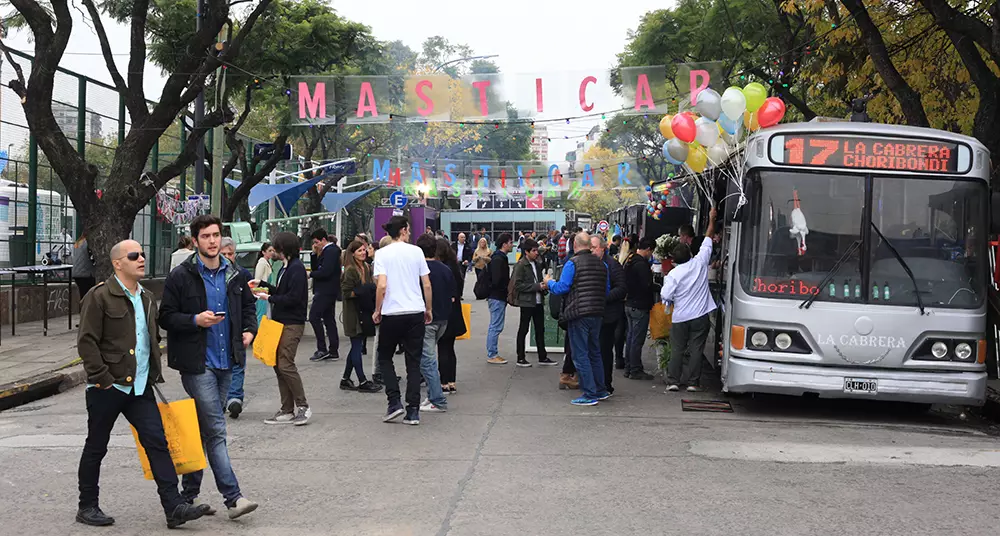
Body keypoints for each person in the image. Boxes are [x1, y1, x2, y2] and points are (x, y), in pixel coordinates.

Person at [76, 239, 212, 529]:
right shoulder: (99, 297)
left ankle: (173, 506)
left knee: (157, 442)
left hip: (140, 387)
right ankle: (87, 505)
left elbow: (150, 338)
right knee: (96, 446)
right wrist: (103, 379)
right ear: (117, 263)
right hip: (108, 387)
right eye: (134, 255)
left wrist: (151, 373)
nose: (141, 259)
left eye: (142, 254)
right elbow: (86, 341)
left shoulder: (148, 297)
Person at [158, 215, 259, 519]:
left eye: (216, 235)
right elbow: (165, 317)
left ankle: (185, 498)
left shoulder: (236, 274)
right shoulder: (181, 275)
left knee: (203, 429)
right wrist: (194, 321)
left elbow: (249, 308)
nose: (213, 241)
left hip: (227, 360)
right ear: (195, 241)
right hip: (197, 363)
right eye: (206, 236)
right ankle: (234, 498)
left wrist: (249, 331)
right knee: (216, 429)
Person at [373, 216, 433, 426]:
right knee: (413, 362)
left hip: (392, 312)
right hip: (415, 311)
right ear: (405, 230)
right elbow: (426, 284)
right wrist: (428, 308)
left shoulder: (381, 254)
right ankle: (413, 410)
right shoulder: (416, 252)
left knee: (385, 357)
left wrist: (377, 309)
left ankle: (394, 401)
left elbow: (381, 285)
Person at [252, 232, 312, 424]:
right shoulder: (285, 268)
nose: (273, 252)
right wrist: (264, 285)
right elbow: (283, 292)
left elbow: (293, 298)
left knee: (285, 363)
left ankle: (302, 406)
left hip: (292, 323)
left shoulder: (296, 269)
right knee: (278, 364)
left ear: (283, 249)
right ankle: (287, 409)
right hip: (281, 322)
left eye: (276, 248)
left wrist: (268, 297)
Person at [544, 232, 609, 406]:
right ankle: (601, 389)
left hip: (578, 313)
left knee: (580, 355)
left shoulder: (572, 263)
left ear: (574, 246)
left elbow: (562, 288)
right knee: (595, 353)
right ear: (590, 245)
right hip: (597, 313)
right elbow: (607, 290)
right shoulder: (602, 265)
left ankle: (589, 394)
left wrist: (549, 282)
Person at [662, 207, 718, 392]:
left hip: (680, 317)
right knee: (696, 349)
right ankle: (693, 383)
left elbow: (666, 295)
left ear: (674, 259)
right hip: (701, 316)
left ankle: (673, 381)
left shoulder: (673, 274)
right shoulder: (700, 263)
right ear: (689, 254)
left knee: (678, 349)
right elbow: (708, 239)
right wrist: (711, 219)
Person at [416, 233, 453, 413]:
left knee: (427, 361)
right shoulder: (446, 269)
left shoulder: (420, 270)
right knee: (429, 358)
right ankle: (432, 394)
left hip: (427, 319)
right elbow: (453, 295)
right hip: (443, 319)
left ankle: (437, 400)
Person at [220, 238, 255, 419]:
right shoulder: (209, 276)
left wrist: (250, 328)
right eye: (223, 254)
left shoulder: (242, 274)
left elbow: (249, 304)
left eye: (230, 254)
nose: (227, 257)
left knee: (238, 363)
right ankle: (224, 398)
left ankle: (235, 398)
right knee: (222, 365)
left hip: (237, 327)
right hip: (218, 327)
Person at [340, 239, 381, 393]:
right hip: (353, 314)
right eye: (359, 251)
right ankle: (362, 380)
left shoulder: (365, 267)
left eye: (364, 250)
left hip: (363, 311)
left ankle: (345, 379)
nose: (363, 253)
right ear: (352, 254)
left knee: (356, 346)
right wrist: (361, 291)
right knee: (357, 345)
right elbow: (345, 292)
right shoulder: (350, 270)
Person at [591, 235, 627, 396]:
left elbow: (621, 289)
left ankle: (606, 384)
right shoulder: (589, 263)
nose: (591, 251)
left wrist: (603, 298)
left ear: (603, 248)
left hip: (608, 315)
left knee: (604, 350)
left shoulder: (613, 265)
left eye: (594, 247)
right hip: (591, 314)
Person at [513, 239, 557, 367]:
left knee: (540, 329)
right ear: (526, 252)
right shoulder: (521, 265)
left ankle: (542, 356)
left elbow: (538, 279)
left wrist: (544, 287)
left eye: (537, 250)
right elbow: (518, 285)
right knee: (524, 329)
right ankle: (520, 357)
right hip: (527, 302)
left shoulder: (537, 263)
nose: (536, 253)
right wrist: (537, 287)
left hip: (538, 301)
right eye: (533, 251)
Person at [623, 237, 657, 380]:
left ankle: (629, 367)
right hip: (639, 305)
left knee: (631, 337)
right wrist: (659, 287)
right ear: (648, 249)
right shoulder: (641, 265)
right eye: (652, 251)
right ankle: (635, 369)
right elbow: (646, 285)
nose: (651, 254)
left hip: (629, 304)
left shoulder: (630, 260)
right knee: (637, 339)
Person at [308, 229, 342, 362]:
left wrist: (311, 275)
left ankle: (322, 348)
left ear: (323, 240)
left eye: (317, 242)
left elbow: (325, 271)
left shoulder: (331, 251)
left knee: (314, 316)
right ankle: (333, 349)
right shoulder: (323, 252)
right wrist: (313, 254)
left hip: (326, 290)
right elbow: (316, 268)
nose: (316, 245)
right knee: (328, 319)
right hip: (325, 290)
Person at [436, 239, 465, 394]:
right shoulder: (454, 267)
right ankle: (452, 381)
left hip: (443, 310)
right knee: (450, 348)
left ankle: (443, 382)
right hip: (454, 311)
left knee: (442, 348)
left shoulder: (441, 268)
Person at [485, 233, 514, 365]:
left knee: (496, 325)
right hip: (497, 296)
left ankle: (492, 352)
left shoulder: (499, 257)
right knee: (495, 326)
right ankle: (492, 354)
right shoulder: (498, 259)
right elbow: (497, 280)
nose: (512, 244)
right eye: (510, 242)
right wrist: (505, 288)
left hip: (497, 296)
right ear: (504, 244)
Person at [253, 242, 275, 324]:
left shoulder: (267, 262)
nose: (272, 252)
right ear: (263, 252)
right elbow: (257, 280)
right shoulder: (262, 262)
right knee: (261, 316)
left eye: (273, 250)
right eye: (270, 250)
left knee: (265, 316)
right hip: (262, 294)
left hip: (266, 293)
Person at [72, 235, 96, 300]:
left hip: (76, 272)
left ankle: (82, 308)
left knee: (82, 295)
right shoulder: (89, 242)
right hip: (86, 273)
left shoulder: (78, 241)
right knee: (88, 296)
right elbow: (92, 256)